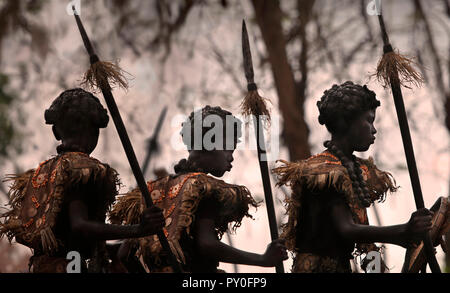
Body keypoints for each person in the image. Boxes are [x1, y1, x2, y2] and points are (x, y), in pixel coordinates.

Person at [273, 81, 433, 273]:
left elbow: (364, 241)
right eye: (369, 120)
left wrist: (378, 269)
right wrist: (402, 231)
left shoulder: (354, 169)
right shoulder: (322, 171)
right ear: (345, 122)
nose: (374, 130)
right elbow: (347, 230)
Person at [0, 88, 164, 273]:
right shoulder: (83, 170)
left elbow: (67, 235)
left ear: (55, 132)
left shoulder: (43, 172)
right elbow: (79, 226)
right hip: (71, 268)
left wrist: (111, 249)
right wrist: (137, 230)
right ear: (95, 132)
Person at [109, 105, 288, 272]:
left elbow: (124, 255)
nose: (231, 158)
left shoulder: (152, 189)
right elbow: (207, 244)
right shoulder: (204, 188)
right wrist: (263, 260)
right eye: (229, 149)